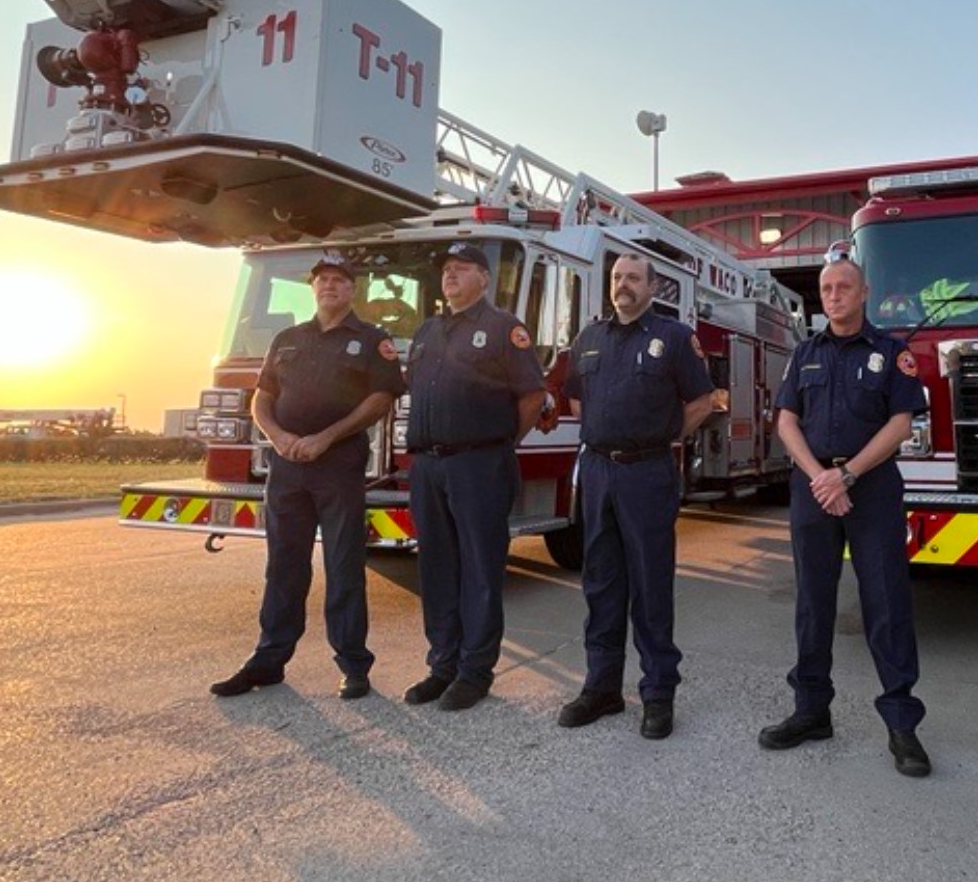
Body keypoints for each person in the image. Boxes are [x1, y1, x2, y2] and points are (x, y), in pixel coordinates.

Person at [760, 247, 931, 777]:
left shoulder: (891, 352)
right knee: (813, 603)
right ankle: (811, 712)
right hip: (815, 488)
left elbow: (901, 424)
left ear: (864, 294)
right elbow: (786, 421)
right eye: (827, 289)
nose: (834, 296)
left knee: (886, 603)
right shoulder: (804, 352)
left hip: (871, 488)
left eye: (844, 287)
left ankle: (902, 726)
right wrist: (819, 476)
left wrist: (848, 474)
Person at [210, 252, 405, 700]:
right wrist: (277, 437)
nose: (329, 286)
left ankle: (354, 665)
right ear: (312, 288)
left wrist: (326, 438)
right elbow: (262, 399)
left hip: (338, 467)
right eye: (322, 280)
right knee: (283, 567)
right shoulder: (287, 339)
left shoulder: (373, 340)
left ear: (352, 289)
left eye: (338, 280)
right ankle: (268, 660)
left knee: (343, 568)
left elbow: (381, 400)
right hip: (287, 469)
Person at [556, 253, 715, 739]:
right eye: (617, 278)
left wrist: (661, 437)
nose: (623, 285)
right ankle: (602, 688)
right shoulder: (589, 338)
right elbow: (577, 397)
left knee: (650, 587)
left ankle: (658, 693)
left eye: (632, 278)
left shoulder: (672, 338)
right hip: (599, 472)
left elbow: (702, 401)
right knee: (601, 584)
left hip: (647, 473)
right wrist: (605, 433)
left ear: (652, 288)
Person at [402, 241, 546, 712]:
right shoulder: (426, 331)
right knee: (437, 568)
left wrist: (499, 444)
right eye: (446, 269)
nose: (451, 276)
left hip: (479, 464)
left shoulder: (504, 329)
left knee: (481, 571)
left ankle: (474, 672)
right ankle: (441, 666)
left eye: (462, 269)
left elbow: (531, 396)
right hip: (428, 465)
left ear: (484, 279)